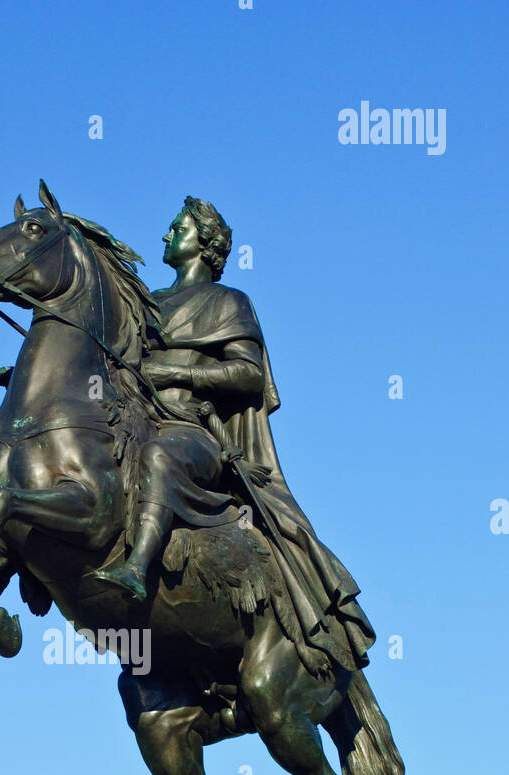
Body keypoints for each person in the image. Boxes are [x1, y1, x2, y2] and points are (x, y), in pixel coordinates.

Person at [93, 196, 375, 672]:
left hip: (192, 431)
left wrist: (177, 375)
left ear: (206, 244)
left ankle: (137, 566)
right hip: (136, 419)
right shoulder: (148, 303)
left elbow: (247, 374)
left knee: (159, 456)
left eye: (176, 228)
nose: (166, 235)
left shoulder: (228, 302)